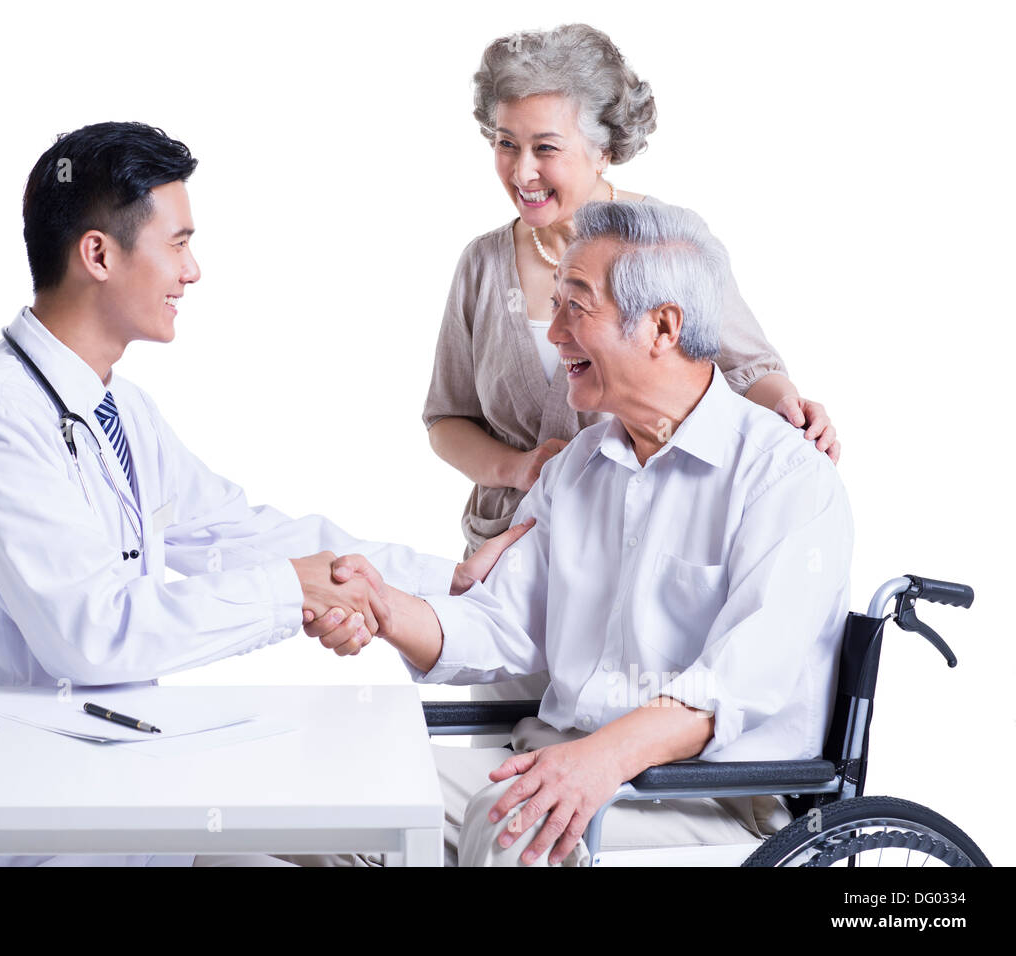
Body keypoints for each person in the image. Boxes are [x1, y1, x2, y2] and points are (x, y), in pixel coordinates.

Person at [0, 121, 522, 867]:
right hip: (17, 821)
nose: (192, 271)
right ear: (97, 253)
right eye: (178, 242)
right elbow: (95, 635)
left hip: (113, 792)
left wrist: (434, 579)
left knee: (350, 850)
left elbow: (240, 533)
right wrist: (292, 593)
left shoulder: (119, 409)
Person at [309, 200, 854, 866]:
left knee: (516, 818)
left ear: (661, 326)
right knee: (336, 792)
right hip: (565, 764)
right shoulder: (576, 469)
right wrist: (385, 608)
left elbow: (732, 689)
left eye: (576, 306)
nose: (555, 332)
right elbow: (502, 624)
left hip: (709, 799)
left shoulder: (785, 480)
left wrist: (595, 764)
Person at [425, 23, 841, 703]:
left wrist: (791, 412)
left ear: (604, 148)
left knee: (603, 757)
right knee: (511, 761)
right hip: (512, 567)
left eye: (545, 148)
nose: (521, 171)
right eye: (505, 144)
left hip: (638, 571)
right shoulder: (482, 264)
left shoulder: (663, 247)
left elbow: (739, 366)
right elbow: (446, 417)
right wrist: (519, 469)